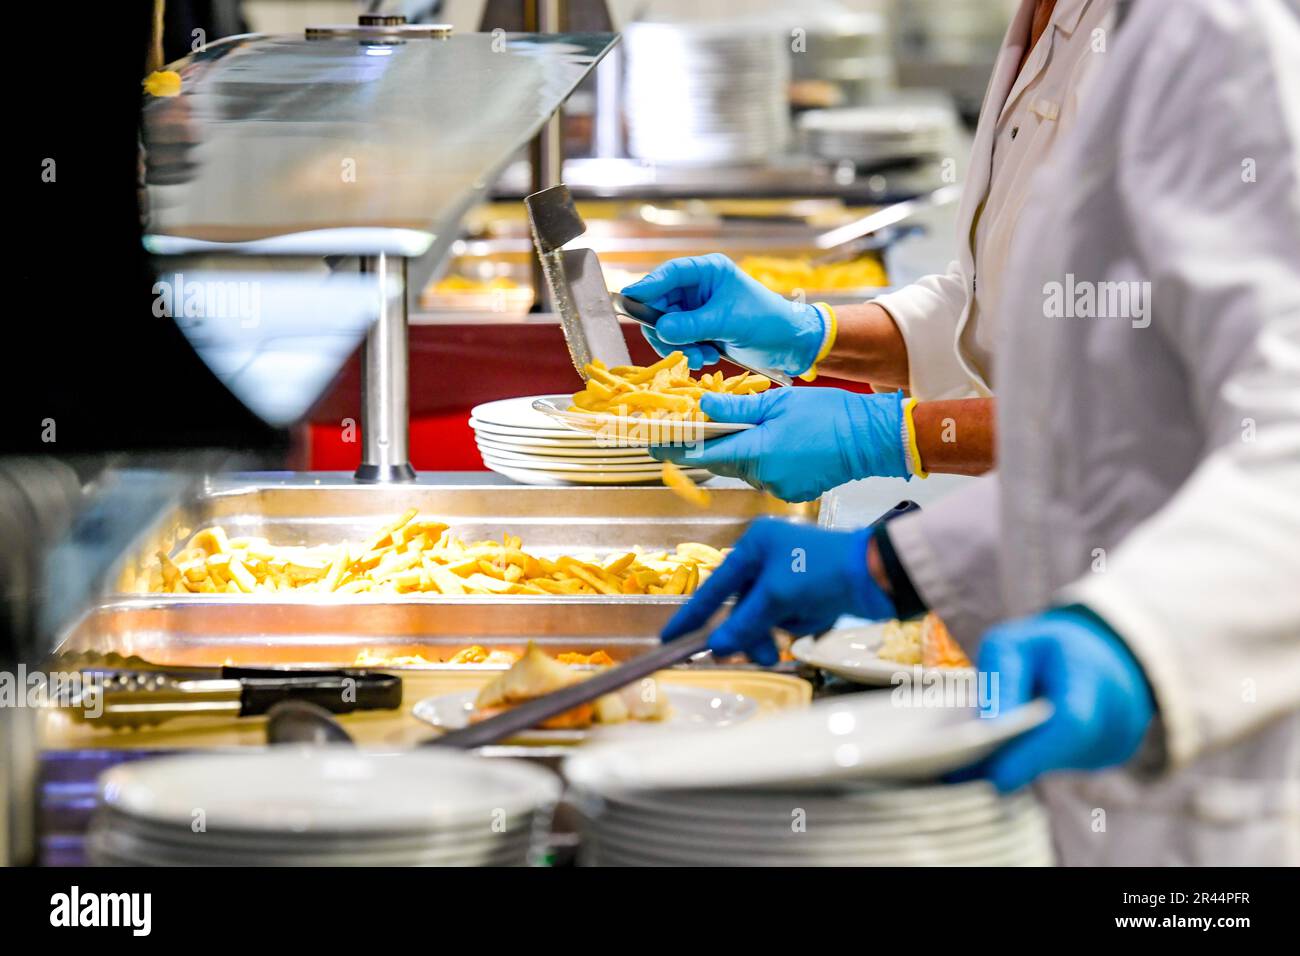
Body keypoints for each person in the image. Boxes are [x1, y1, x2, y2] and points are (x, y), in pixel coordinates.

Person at [662, 0, 1300, 866]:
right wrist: (890, 561)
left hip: (1221, 777)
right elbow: (1031, 326)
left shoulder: (1219, 32)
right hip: (1081, 761)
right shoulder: (1056, 18)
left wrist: (1134, 637)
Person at [622, 0, 1116, 501]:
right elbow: (998, 313)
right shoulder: (1045, 18)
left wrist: (886, 437)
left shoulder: (1144, 37)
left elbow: (1130, 416)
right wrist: (812, 333)